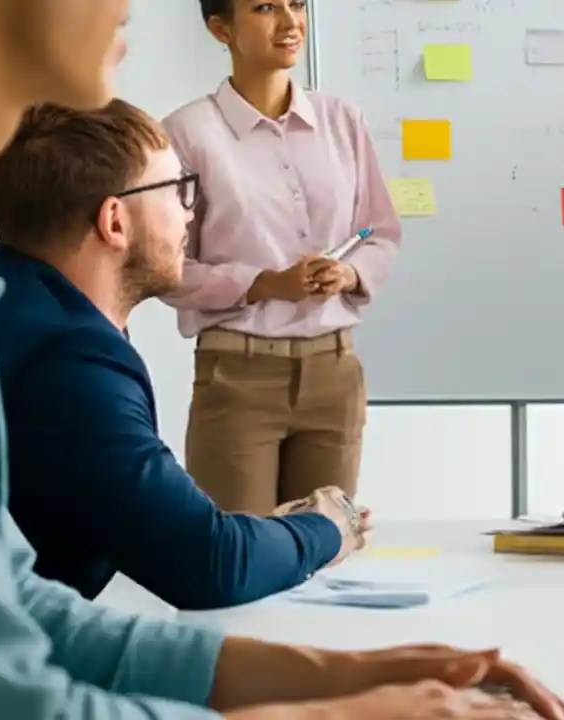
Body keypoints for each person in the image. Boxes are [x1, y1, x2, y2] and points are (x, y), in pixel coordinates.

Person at [0, 1, 564, 718]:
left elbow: (25, 609)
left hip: (329, 361)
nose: (128, 6)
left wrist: (343, 677)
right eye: (177, 192)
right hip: (237, 364)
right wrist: (347, 713)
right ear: (115, 219)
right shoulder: (46, 343)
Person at [0, 99, 373, 610]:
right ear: (114, 221)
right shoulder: (70, 361)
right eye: (177, 190)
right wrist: (327, 527)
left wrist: (264, 535)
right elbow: (209, 565)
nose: (191, 210)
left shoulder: (10, 304)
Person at [161, 0, 400, 515]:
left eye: (297, 4)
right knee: (237, 559)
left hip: (334, 373)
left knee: (325, 558)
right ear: (219, 27)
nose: (291, 22)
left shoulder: (342, 119)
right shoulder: (185, 133)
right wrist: (266, 283)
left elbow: (380, 234)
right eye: (266, 7)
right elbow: (165, 269)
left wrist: (349, 272)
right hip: (237, 375)